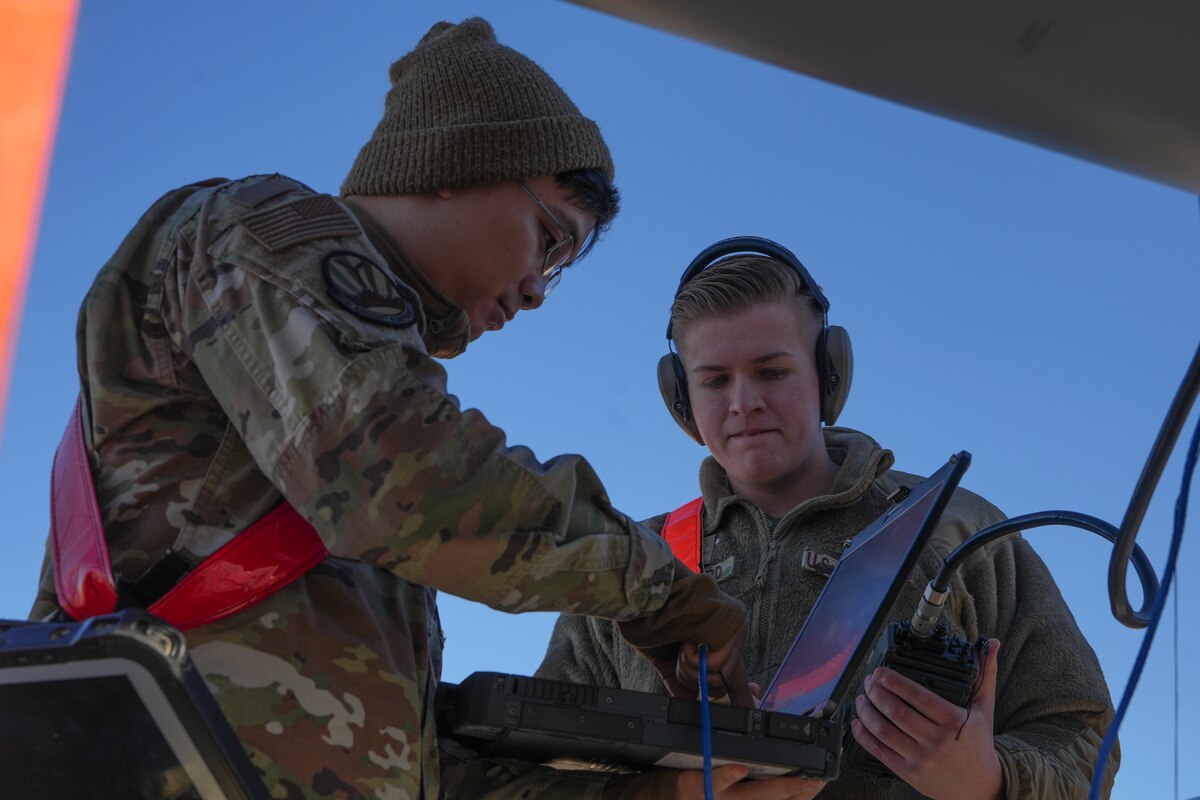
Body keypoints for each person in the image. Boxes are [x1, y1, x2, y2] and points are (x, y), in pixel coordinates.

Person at [27, 19, 758, 799]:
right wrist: (657, 589)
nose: (538, 290)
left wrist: (669, 794)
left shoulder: (357, 433)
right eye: (548, 239)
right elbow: (402, 481)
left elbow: (405, 771)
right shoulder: (258, 234)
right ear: (456, 160)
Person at [536, 239, 1120, 799]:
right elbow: (539, 765)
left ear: (828, 374)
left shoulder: (956, 531)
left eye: (771, 371)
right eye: (714, 380)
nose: (743, 402)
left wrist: (988, 781)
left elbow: (1081, 733)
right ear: (681, 401)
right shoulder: (630, 563)